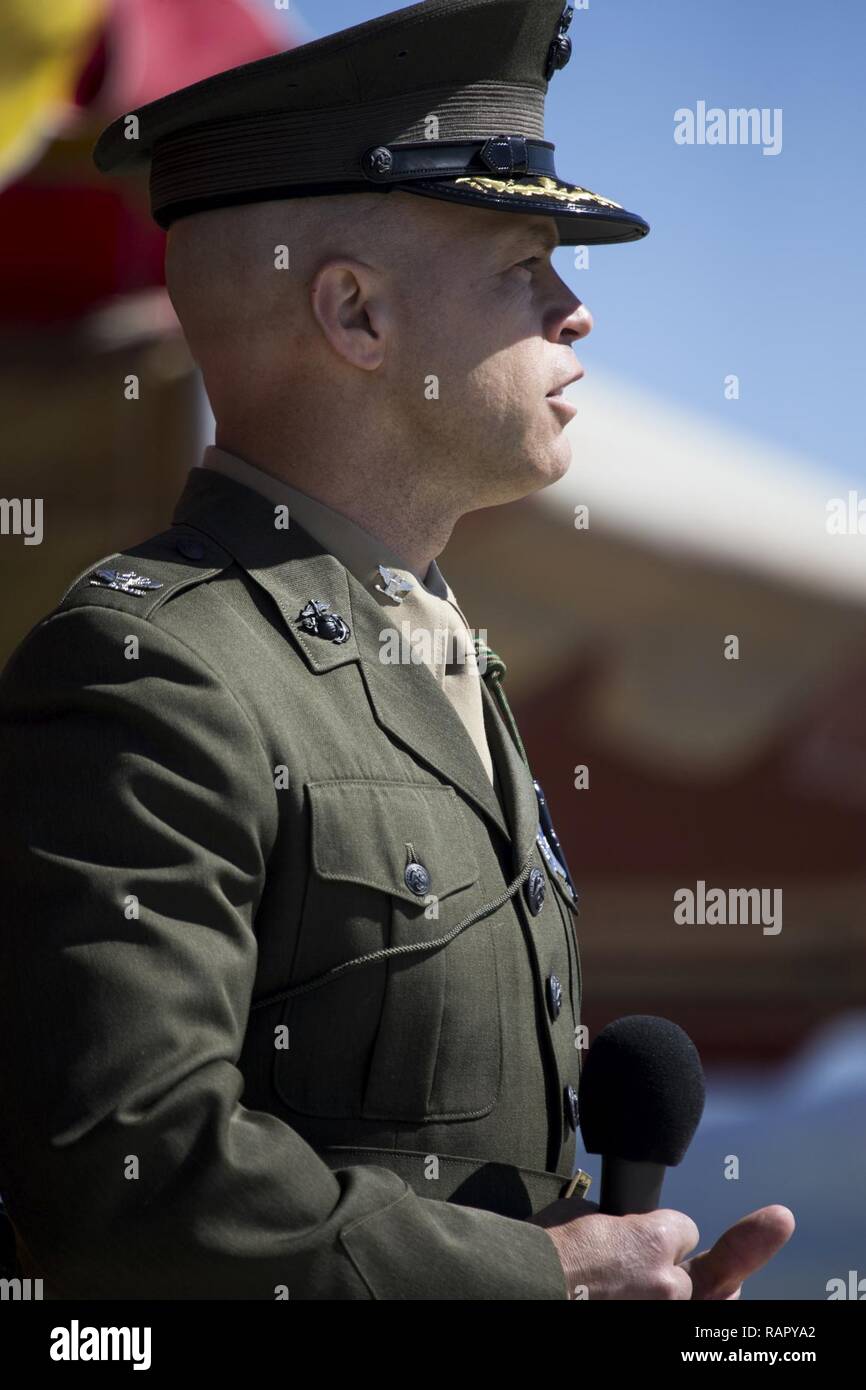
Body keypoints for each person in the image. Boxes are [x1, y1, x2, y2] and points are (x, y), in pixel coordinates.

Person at [0, 0, 793, 1299]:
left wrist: (609, 1262)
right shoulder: (152, 671)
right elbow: (123, 1179)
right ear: (355, 316)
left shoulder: (441, 657)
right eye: (520, 265)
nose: (574, 309)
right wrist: (533, 1280)